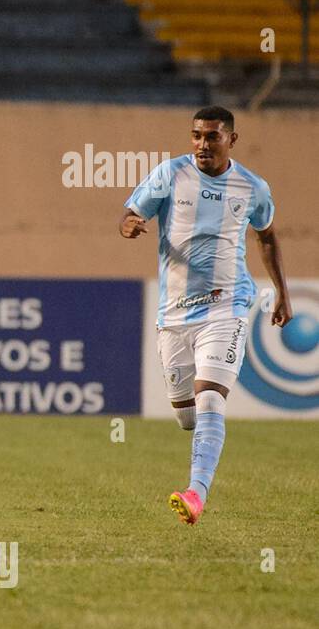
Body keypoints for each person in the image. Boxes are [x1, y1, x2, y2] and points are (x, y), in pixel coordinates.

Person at [120, 106, 292, 524]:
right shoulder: (170, 174)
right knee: (186, 415)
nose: (202, 144)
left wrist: (281, 293)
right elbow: (131, 213)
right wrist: (129, 224)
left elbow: (266, 236)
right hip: (174, 313)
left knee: (210, 395)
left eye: (212, 136)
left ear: (232, 140)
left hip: (227, 306)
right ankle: (208, 433)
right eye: (196, 135)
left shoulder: (252, 187)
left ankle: (195, 494)